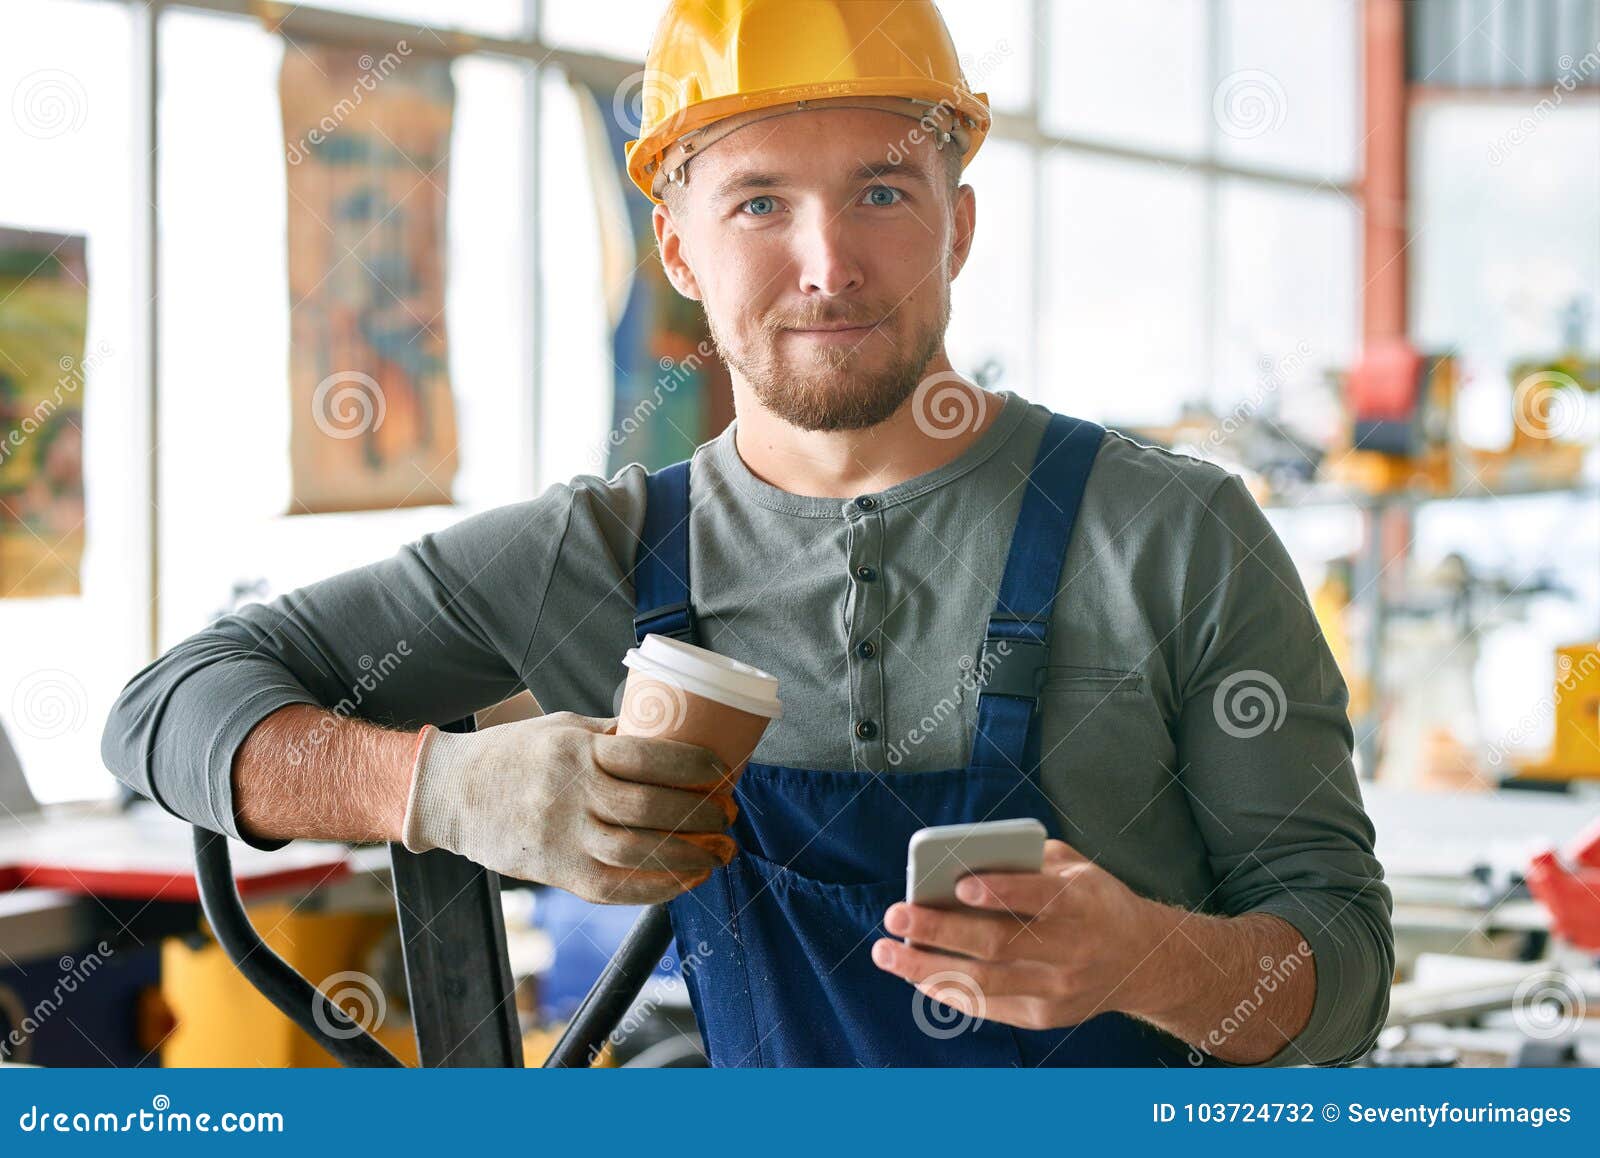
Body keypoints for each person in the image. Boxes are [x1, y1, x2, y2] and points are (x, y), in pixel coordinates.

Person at [103, 0, 1392, 1067]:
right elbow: (164, 709)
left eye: (881, 190)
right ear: (676, 248)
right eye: (760, 204)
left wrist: (1151, 961)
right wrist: (435, 790)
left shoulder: (1174, 533)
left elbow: (1345, 971)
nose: (828, 265)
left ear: (960, 223)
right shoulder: (596, 556)